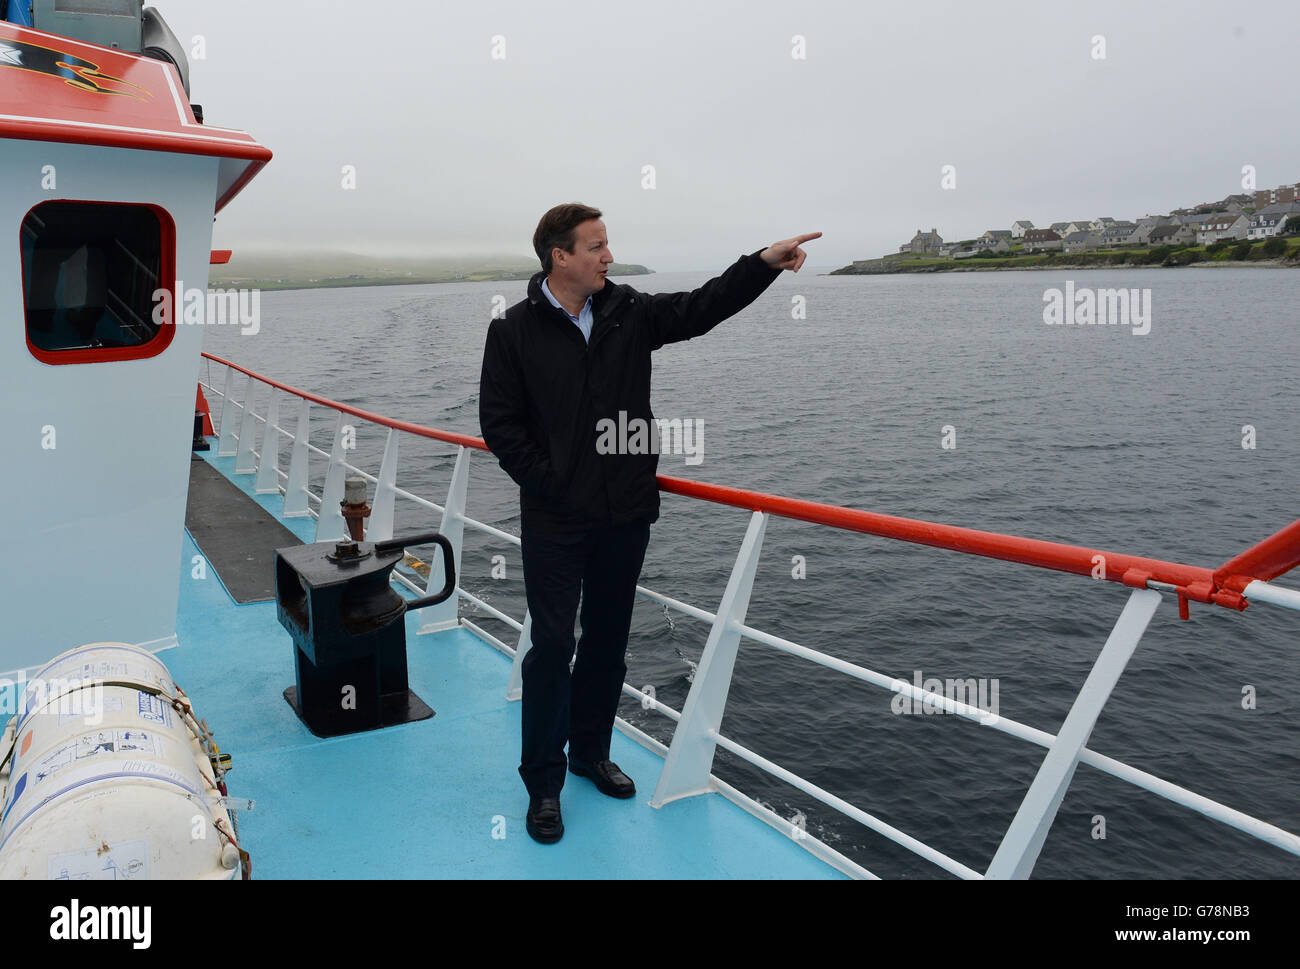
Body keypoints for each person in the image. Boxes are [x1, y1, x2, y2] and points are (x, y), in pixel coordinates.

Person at [478, 202, 819, 844]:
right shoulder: (514, 331)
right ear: (561, 257)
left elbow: (699, 308)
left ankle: (590, 755)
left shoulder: (627, 312)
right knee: (552, 648)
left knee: (608, 641)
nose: (608, 256)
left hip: (624, 513)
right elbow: (500, 423)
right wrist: (550, 482)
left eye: (607, 246)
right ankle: (544, 785)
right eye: (597, 246)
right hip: (555, 519)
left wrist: (763, 264)